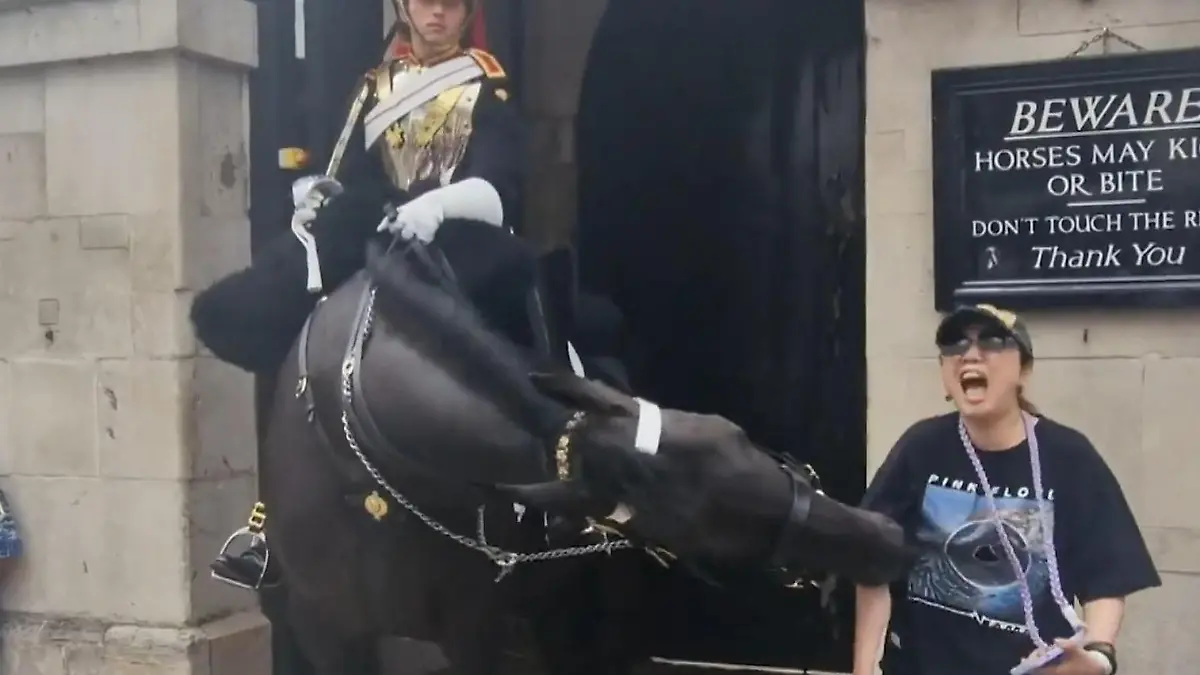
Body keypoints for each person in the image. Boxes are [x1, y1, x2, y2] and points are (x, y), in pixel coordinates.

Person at [195, 0, 571, 590]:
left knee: (517, 305)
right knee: (258, 313)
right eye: (426, 2)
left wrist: (438, 206)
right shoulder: (375, 88)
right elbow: (347, 173)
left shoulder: (485, 83)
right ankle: (269, 524)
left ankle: (549, 493)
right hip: (375, 229)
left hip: (456, 233)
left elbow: (501, 189)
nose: (439, 14)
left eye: (452, 4)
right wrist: (317, 194)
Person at [853, 304, 1160, 675]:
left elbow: (1108, 572)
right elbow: (871, 560)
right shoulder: (921, 447)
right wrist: (864, 667)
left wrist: (1098, 657)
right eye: (954, 345)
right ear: (944, 377)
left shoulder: (1069, 457)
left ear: (1024, 371)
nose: (969, 354)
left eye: (992, 341)